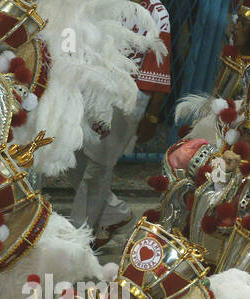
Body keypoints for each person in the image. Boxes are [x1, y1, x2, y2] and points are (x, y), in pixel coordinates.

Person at [71, 0, 173, 250]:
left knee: (97, 169)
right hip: (88, 87)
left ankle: (77, 240)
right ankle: (114, 212)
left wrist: (151, 116)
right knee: (70, 155)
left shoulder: (156, 12)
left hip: (126, 97)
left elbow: (159, 64)